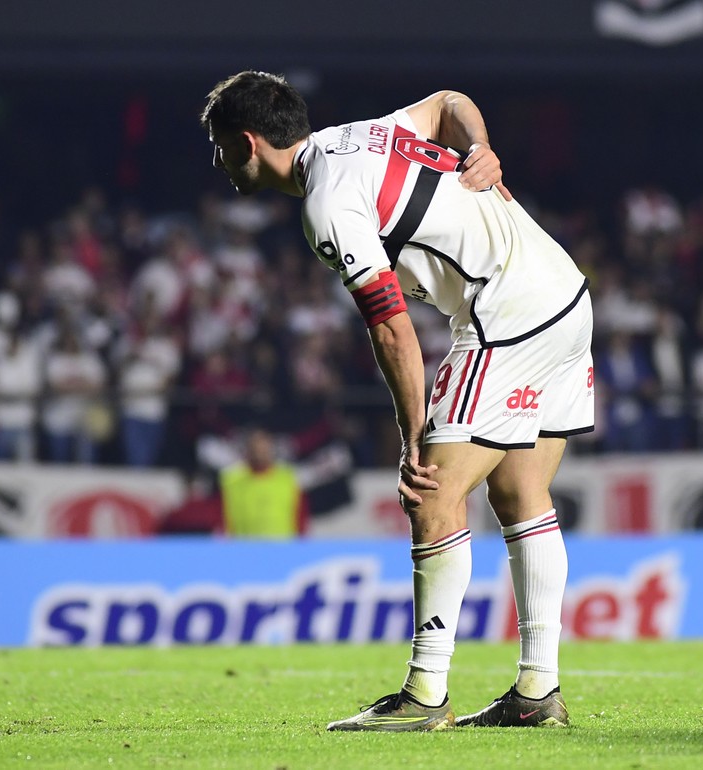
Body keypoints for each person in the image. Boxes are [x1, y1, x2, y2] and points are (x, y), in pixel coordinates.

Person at [201, 72, 593, 731]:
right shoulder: (358, 138)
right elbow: (447, 103)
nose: (217, 161)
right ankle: (536, 690)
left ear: (247, 143)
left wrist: (414, 436)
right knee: (521, 494)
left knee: (430, 493)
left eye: (218, 147)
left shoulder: (326, 202)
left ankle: (424, 695)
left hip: (508, 313)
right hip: (565, 293)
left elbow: (390, 327)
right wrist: (479, 145)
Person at [219, 427, 310, 537]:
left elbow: (301, 517)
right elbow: (221, 517)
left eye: (263, 447)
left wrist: (301, 543)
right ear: (247, 449)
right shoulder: (231, 480)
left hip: (282, 545)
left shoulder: (288, 478)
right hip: (244, 545)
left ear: (271, 448)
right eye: (255, 447)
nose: (260, 451)